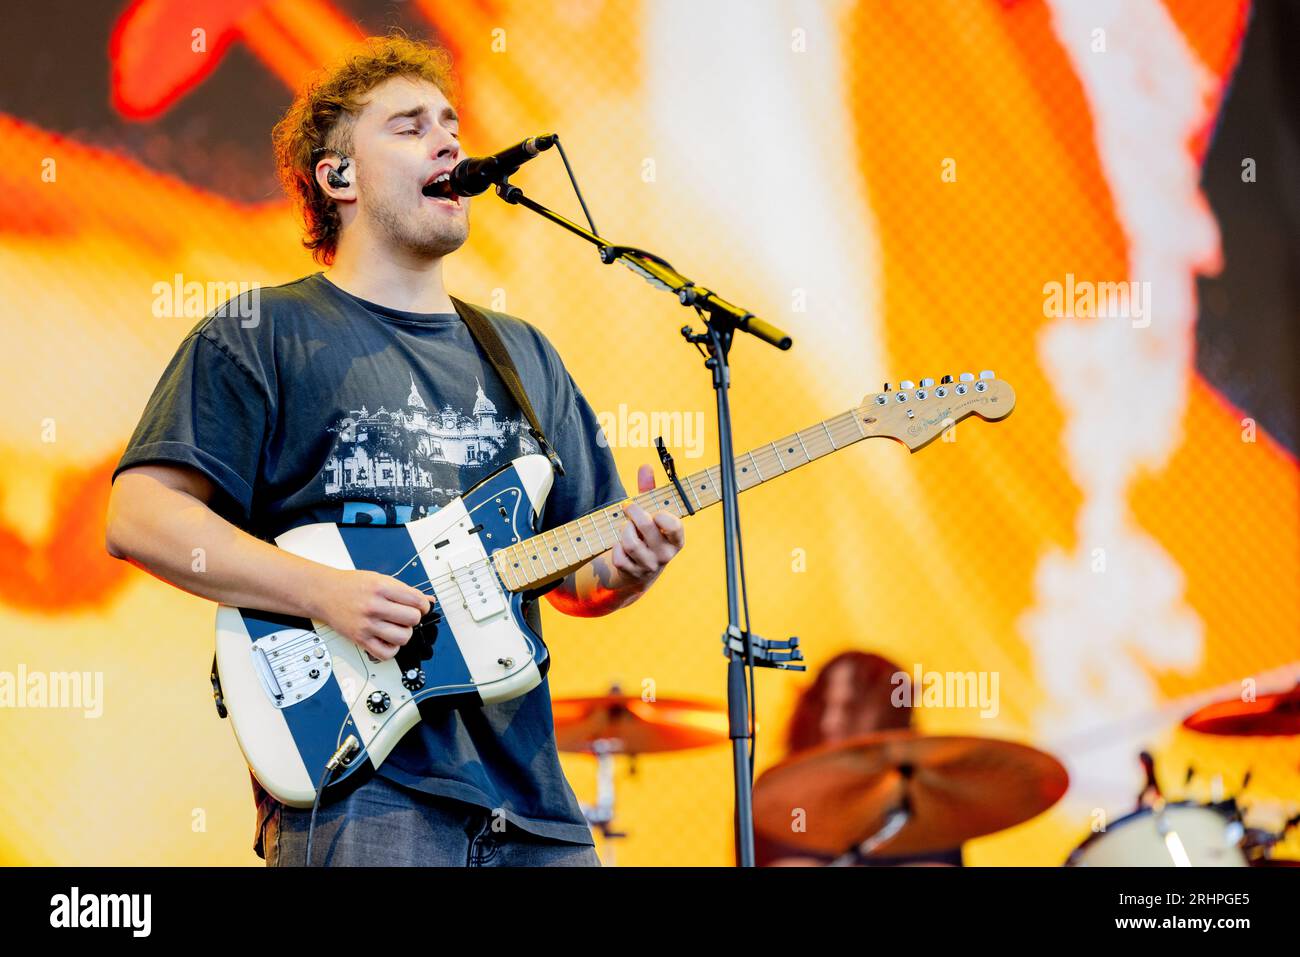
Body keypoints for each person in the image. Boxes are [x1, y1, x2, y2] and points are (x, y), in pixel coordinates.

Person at [105, 33, 685, 867]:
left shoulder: (524, 355)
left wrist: (632, 564)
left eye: (450, 122)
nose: (450, 140)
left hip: (532, 804)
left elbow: (578, 581)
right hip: (364, 790)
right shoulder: (263, 332)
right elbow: (138, 515)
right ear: (337, 177)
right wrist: (326, 593)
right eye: (410, 126)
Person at [755, 651, 963, 866]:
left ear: (888, 715)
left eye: (849, 708)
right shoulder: (785, 803)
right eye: (823, 706)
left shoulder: (927, 807)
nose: (829, 722)